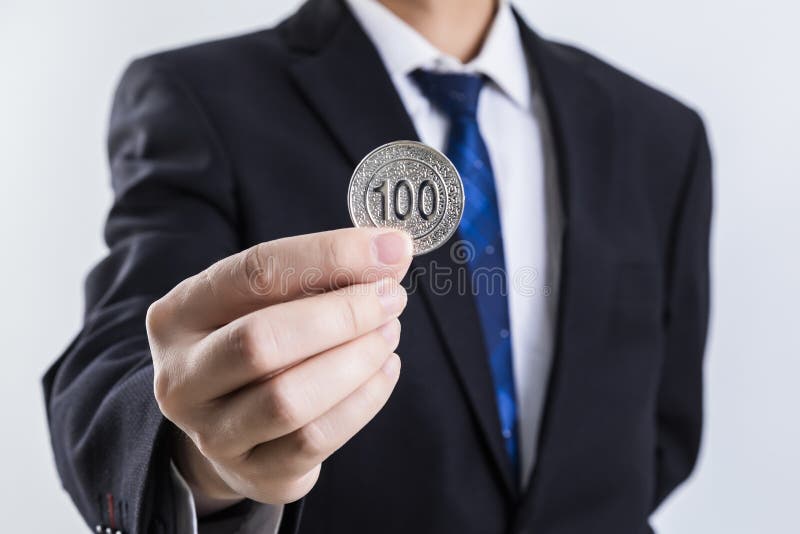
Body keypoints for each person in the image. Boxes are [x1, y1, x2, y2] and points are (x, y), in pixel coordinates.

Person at [43, 0, 712, 532]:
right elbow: (118, 370)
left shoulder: (659, 133)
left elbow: (662, 434)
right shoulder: (200, 97)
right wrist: (206, 462)